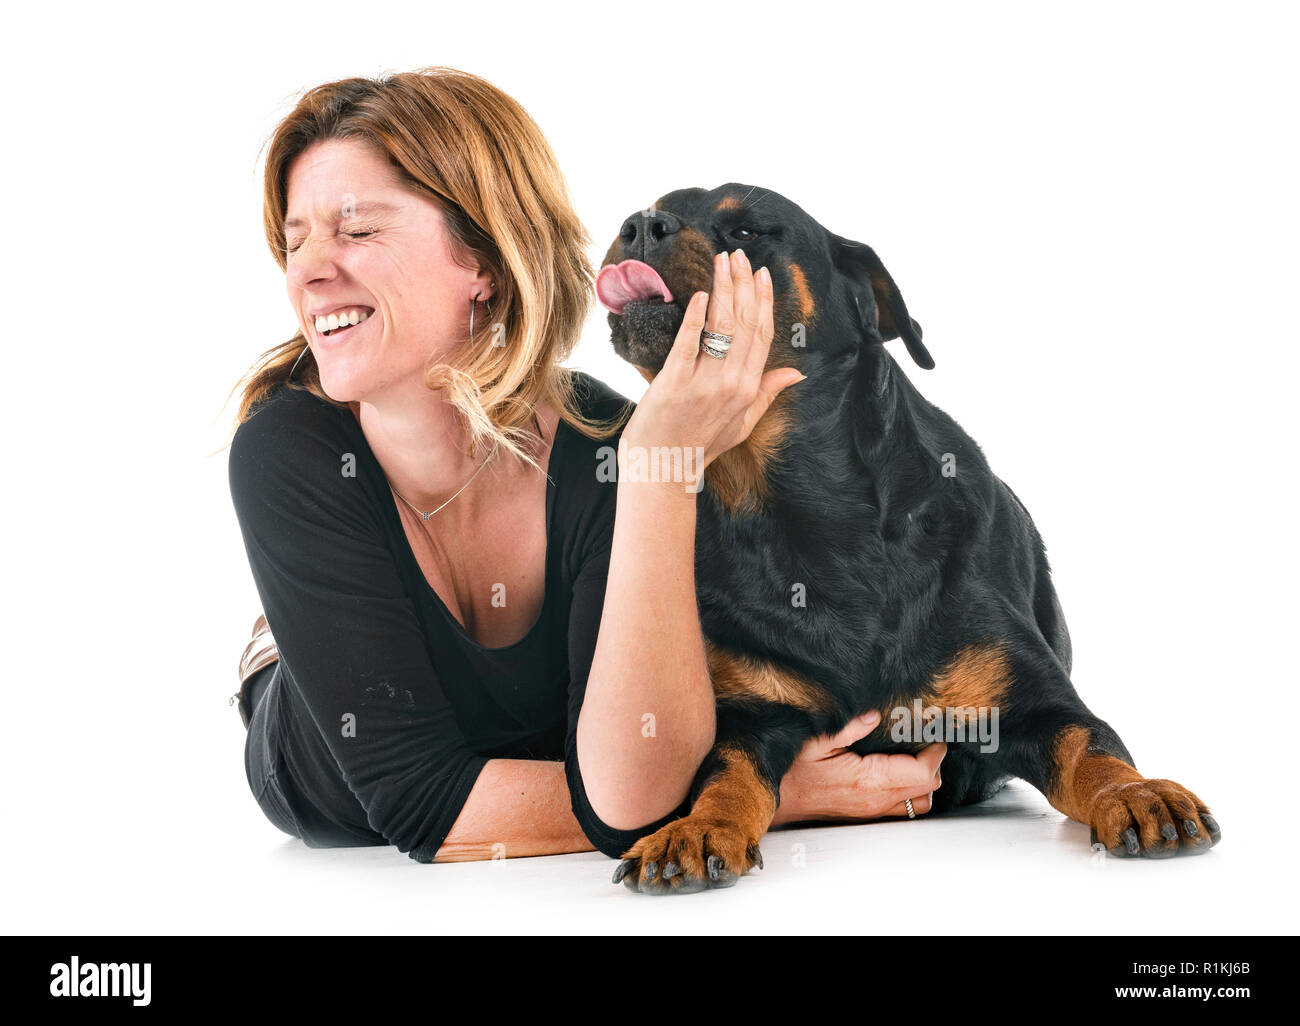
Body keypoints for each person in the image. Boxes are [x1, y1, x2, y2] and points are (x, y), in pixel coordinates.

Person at [226, 66, 945, 865]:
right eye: (295, 241)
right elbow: (424, 801)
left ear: (486, 262)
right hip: (325, 768)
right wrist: (772, 796)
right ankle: (281, 642)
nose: (309, 270)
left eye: (357, 230)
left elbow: (630, 796)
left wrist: (660, 464)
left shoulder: (610, 442)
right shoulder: (283, 452)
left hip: (553, 740)